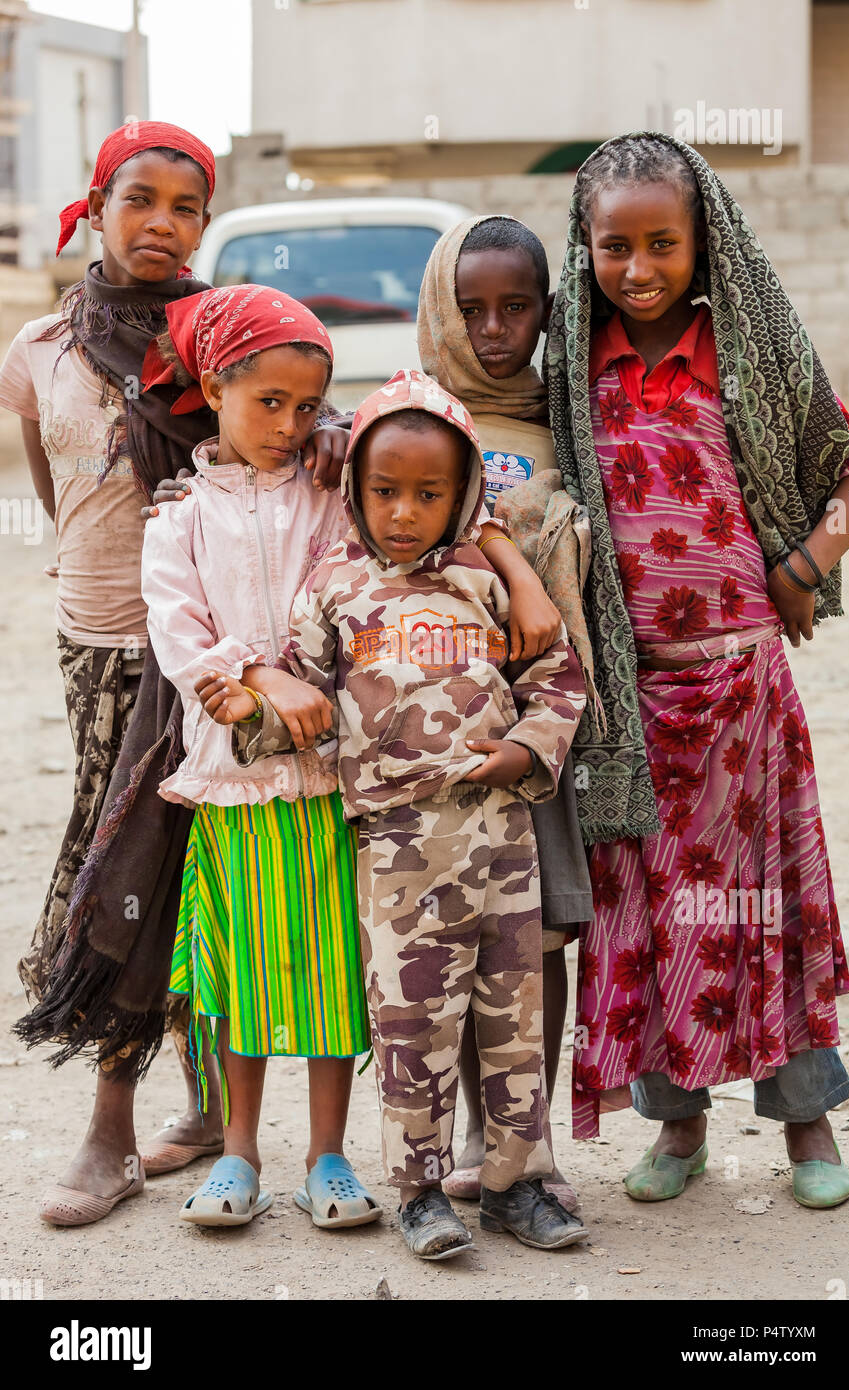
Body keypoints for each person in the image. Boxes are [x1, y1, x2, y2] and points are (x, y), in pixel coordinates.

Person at [0, 122, 348, 1226]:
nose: (162, 223)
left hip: (217, 649)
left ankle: (186, 1115)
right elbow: (58, 489)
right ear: (95, 205)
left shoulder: (223, 337)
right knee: (122, 861)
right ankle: (119, 1129)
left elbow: (302, 433)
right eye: (139, 200)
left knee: (201, 865)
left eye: (186, 208)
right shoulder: (40, 348)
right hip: (104, 642)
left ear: (205, 222)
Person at [546, 132, 849, 1208]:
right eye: (615, 246)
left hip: (743, 695)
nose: (637, 268)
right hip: (630, 705)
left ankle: (807, 1125)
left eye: (661, 244)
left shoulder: (747, 354)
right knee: (645, 914)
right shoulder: (571, 372)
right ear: (584, 246)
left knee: (768, 905)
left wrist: (804, 567)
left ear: (703, 241)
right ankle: (676, 1127)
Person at [206, 368, 590, 1257]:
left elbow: (558, 678)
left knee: (513, 1023)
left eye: (428, 494)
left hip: (503, 840)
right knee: (413, 1027)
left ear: (463, 497)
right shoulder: (333, 587)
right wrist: (251, 712)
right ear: (356, 489)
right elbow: (303, 703)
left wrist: (527, 749)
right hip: (398, 851)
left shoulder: (487, 581)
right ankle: (420, 1192)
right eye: (385, 492)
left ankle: (518, 1184)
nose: (405, 513)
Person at [140, 284, 380, 1228]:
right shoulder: (179, 518)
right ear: (213, 389)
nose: (288, 426)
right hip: (235, 779)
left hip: (332, 778)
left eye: (307, 407)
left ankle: (328, 1156)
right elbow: (180, 633)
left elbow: (359, 594)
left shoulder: (334, 494)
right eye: (268, 402)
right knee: (239, 966)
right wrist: (257, 676)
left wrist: (346, 433)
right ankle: (238, 1152)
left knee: (329, 966)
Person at [417, 216, 593, 1211]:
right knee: (456, 936)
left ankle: (526, 1143)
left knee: (540, 938)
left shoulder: (567, 420)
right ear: (439, 310)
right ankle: (464, 1136)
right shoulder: (414, 417)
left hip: (541, 731)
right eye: (471, 309)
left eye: (515, 307)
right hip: (440, 731)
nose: (492, 330)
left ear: (546, 311)